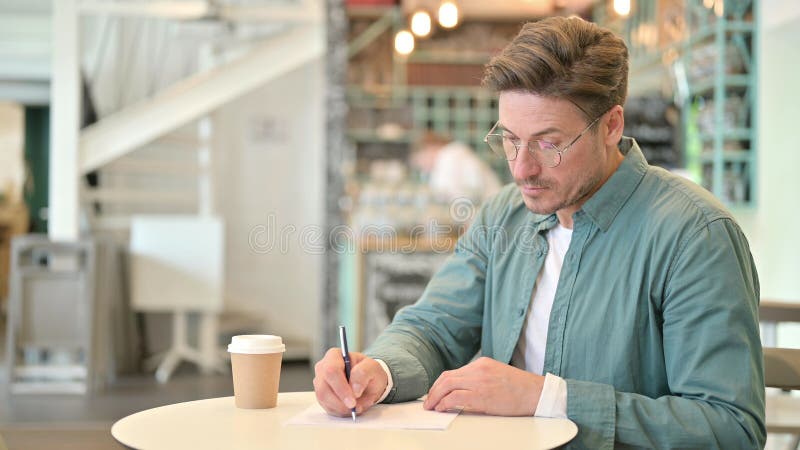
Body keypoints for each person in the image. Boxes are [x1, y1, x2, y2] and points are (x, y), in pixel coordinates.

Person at [314, 16, 765, 449]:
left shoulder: (695, 236)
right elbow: (433, 328)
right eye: (509, 138)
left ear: (611, 125)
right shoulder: (503, 216)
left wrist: (546, 400)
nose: (521, 168)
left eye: (549, 144)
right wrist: (379, 370)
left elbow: (729, 428)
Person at [410, 131, 502, 203]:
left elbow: (444, 196)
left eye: (420, 161)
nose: (424, 169)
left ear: (429, 147)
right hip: (489, 209)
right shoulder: (454, 153)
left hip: (489, 213)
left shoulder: (449, 155)